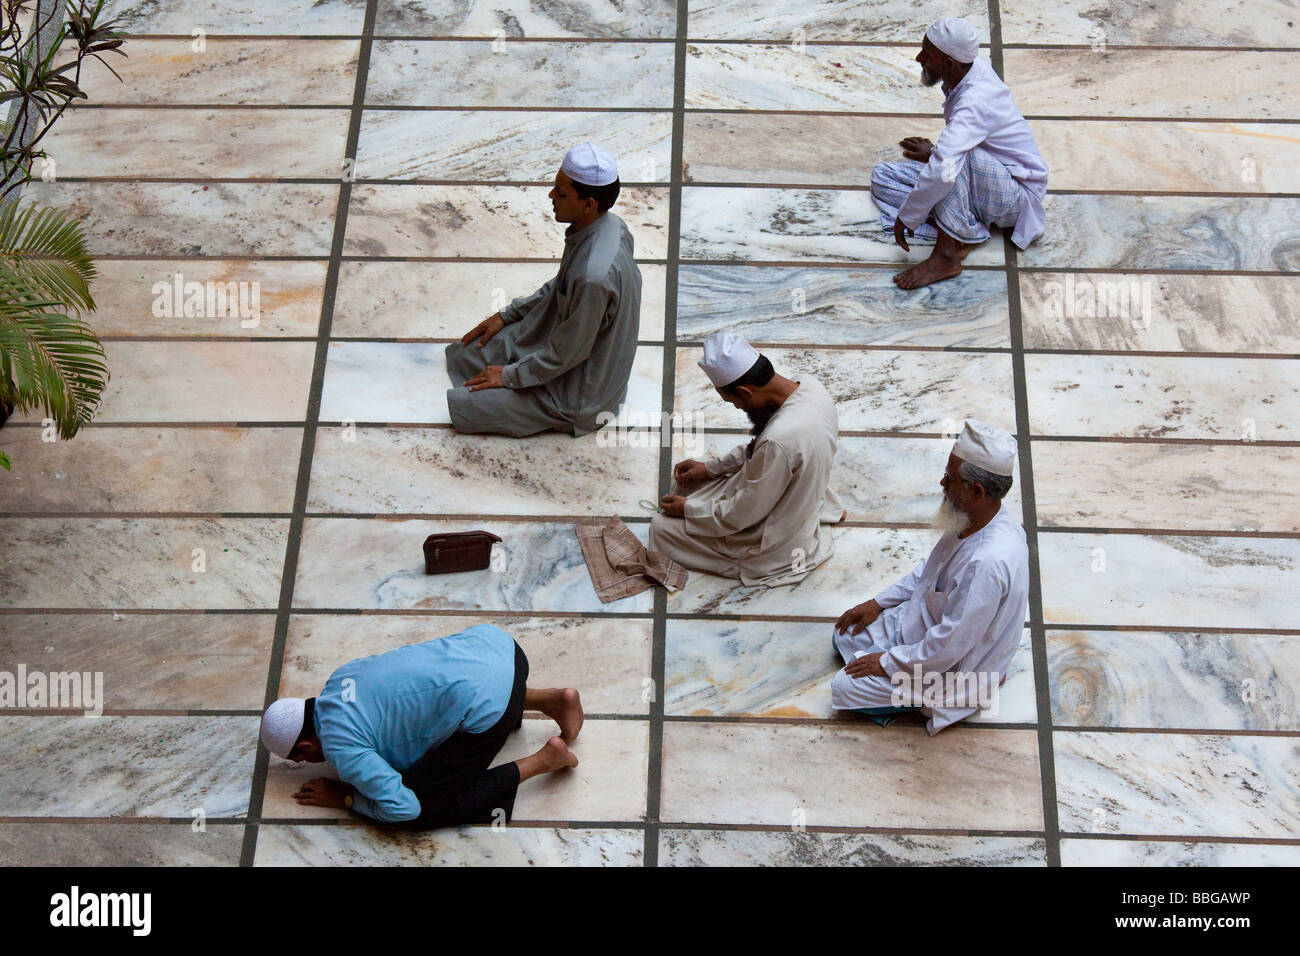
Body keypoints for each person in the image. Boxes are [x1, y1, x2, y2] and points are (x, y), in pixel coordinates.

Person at [260, 623, 583, 827]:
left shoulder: (342, 748)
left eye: (301, 759)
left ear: (305, 745)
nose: (309, 764)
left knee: (428, 806)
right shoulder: (341, 676)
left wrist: (349, 798)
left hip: (491, 711)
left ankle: (545, 759)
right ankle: (550, 700)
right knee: (450, 690)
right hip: (503, 648)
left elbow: (404, 808)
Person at [830, 420, 1028, 733]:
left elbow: (950, 645)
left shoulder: (988, 562)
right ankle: (894, 664)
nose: (941, 483)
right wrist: (879, 602)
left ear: (976, 491)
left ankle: (954, 694)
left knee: (843, 688)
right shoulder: (979, 517)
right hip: (925, 631)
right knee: (844, 633)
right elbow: (930, 569)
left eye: (949, 479)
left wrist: (887, 663)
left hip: (953, 670)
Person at [444, 142, 642, 437]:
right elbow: (560, 284)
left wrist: (510, 376)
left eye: (561, 193)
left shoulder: (594, 278)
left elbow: (568, 354)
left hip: (579, 396)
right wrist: (508, 315)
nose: (551, 196)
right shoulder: (610, 224)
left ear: (588, 203)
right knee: (464, 354)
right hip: (564, 340)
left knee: (464, 405)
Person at [649, 332, 844, 587]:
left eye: (734, 403)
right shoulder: (808, 386)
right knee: (691, 484)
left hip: (778, 531)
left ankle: (746, 560)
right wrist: (709, 469)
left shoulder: (779, 439)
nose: (739, 408)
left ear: (745, 391)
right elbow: (759, 449)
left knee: (661, 529)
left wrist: (687, 509)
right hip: (800, 486)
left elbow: (742, 514)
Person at [870, 16, 1049, 289]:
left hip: (1014, 197)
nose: (919, 58)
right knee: (883, 177)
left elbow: (946, 167)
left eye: (927, 54)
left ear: (949, 63)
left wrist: (907, 217)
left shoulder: (975, 101)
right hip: (981, 181)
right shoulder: (968, 68)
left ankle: (946, 255)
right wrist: (935, 157)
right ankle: (963, 230)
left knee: (950, 163)